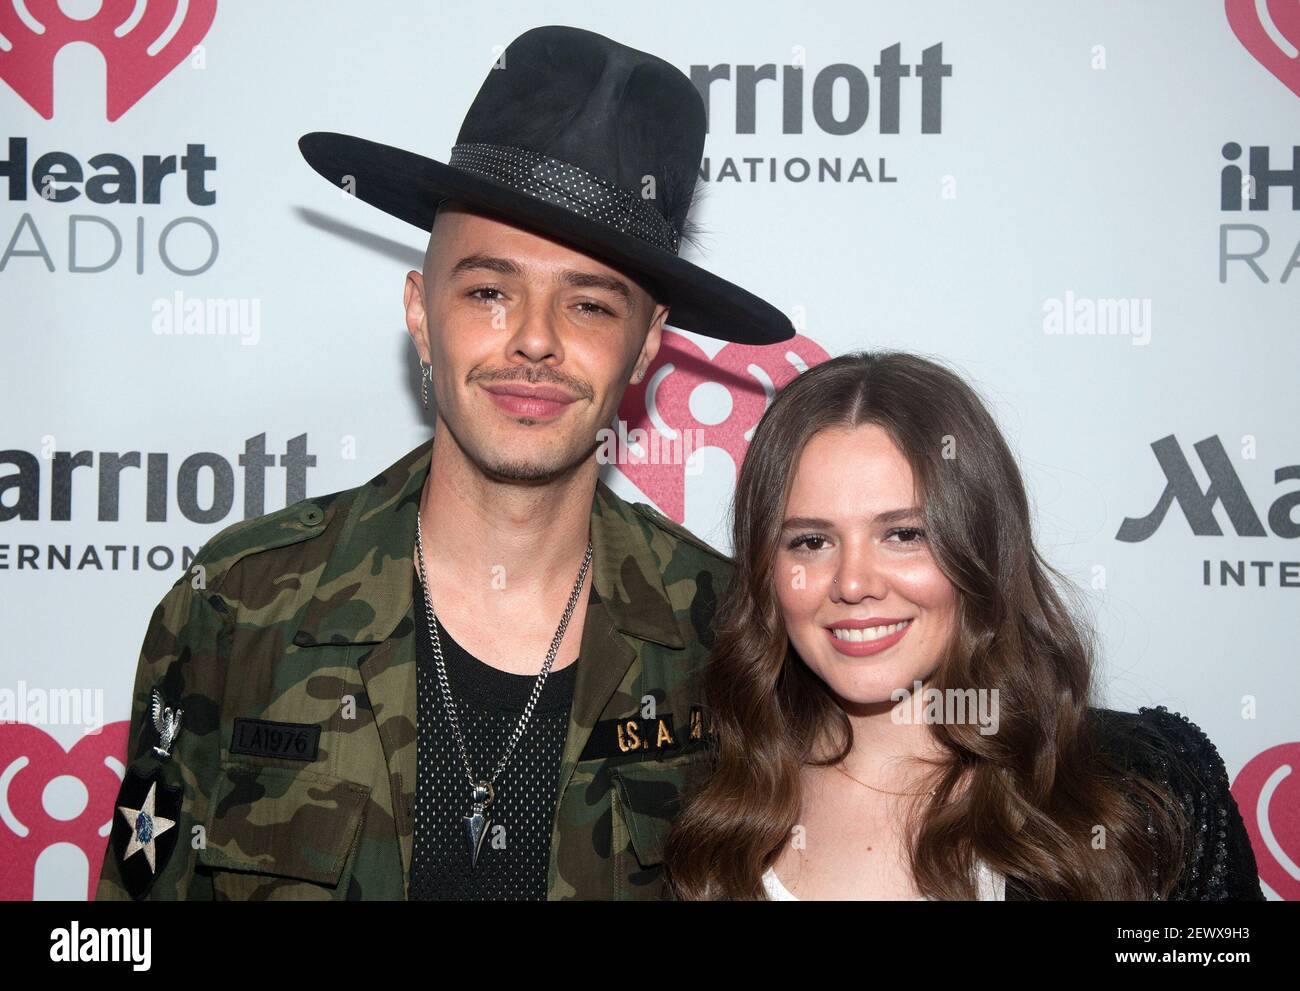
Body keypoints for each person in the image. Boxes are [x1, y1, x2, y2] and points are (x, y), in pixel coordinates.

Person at [95, 25, 793, 902]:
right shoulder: (236, 605)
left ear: (648, 344)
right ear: (420, 311)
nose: (535, 341)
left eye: (587, 304)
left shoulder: (727, 638)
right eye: (489, 291)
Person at [663, 351, 1264, 900]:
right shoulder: (713, 820)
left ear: (980, 547)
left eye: (903, 534)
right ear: (768, 569)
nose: (852, 583)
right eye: (812, 541)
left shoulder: (1137, 793)